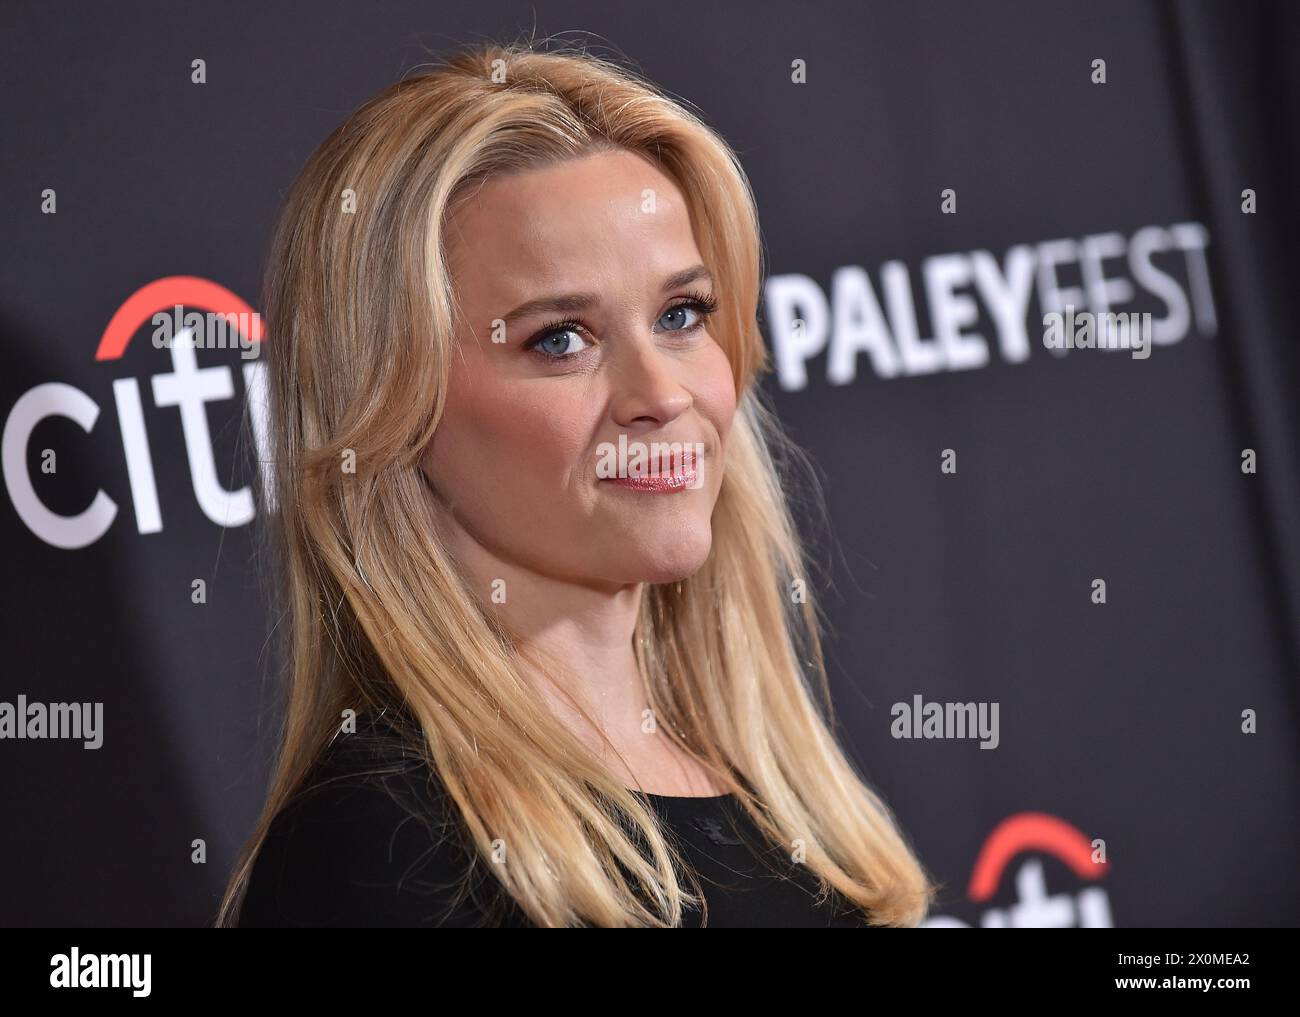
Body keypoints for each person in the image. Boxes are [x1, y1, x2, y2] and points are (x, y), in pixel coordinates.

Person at [220, 38, 937, 928]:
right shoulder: (382, 850)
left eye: (682, 315)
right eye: (561, 337)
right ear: (395, 412)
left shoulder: (784, 810)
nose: (663, 394)